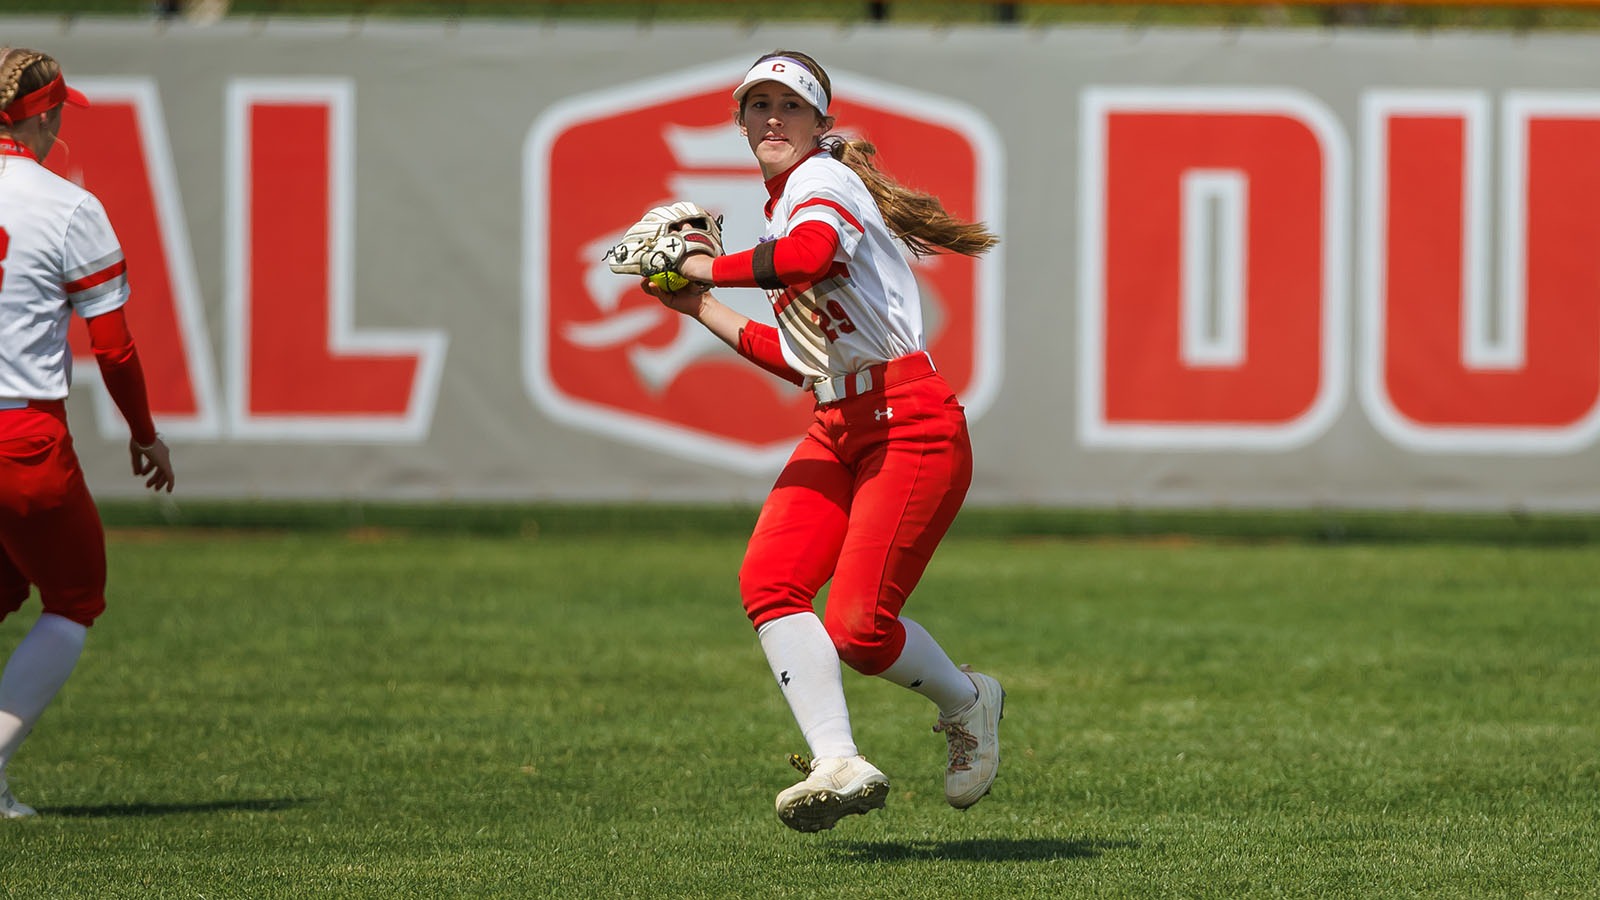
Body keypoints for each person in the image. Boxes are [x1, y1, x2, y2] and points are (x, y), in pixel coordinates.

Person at [643, 49, 1003, 833]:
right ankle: (837, 761)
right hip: (839, 420)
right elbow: (800, 360)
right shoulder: (785, 205)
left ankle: (969, 701)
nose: (773, 119)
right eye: (758, 105)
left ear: (819, 124)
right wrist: (699, 302)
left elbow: (806, 257)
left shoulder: (821, 184)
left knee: (860, 632)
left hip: (910, 421)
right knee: (770, 582)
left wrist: (708, 260)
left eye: (791, 107)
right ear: (739, 122)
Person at [0, 46, 176, 819]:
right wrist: (145, 434)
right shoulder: (67, 206)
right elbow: (114, 347)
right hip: (21, 436)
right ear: (41, 114)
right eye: (60, 109)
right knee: (75, 598)